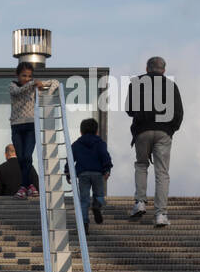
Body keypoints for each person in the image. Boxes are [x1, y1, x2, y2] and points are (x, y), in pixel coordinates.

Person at [125, 56, 183, 227]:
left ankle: (140, 202)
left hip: (142, 130)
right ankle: (161, 214)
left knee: (141, 165)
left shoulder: (136, 83)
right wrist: (170, 129)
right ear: (163, 70)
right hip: (164, 132)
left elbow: (129, 109)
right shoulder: (171, 86)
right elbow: (179, 113)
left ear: (147, 68)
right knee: (162, 172)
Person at [9, 61, 51, 197]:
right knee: (20, 158)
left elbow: (55, 83)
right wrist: (33, 83)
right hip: (16, 126)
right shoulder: (12, 85)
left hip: (31, 126)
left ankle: (24, 186)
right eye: (24, 76)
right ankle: (30, 185)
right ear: (17, 75)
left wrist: (41, 84)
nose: (26, 78)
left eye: (29, 76)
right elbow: (18, 91)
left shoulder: (33, 86)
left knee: (27, 156)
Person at [67, 118, 112, 235]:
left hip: (83, 174)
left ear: (81, 131)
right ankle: (97, 205)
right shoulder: (100, 143)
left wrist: (68, 172)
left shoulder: (76, 144)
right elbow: (104, 156)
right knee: (100, 195)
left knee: (84, 200)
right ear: (96, 131)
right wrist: (107, 169)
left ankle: (84, 224)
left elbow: (71, 159)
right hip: (97, 173)